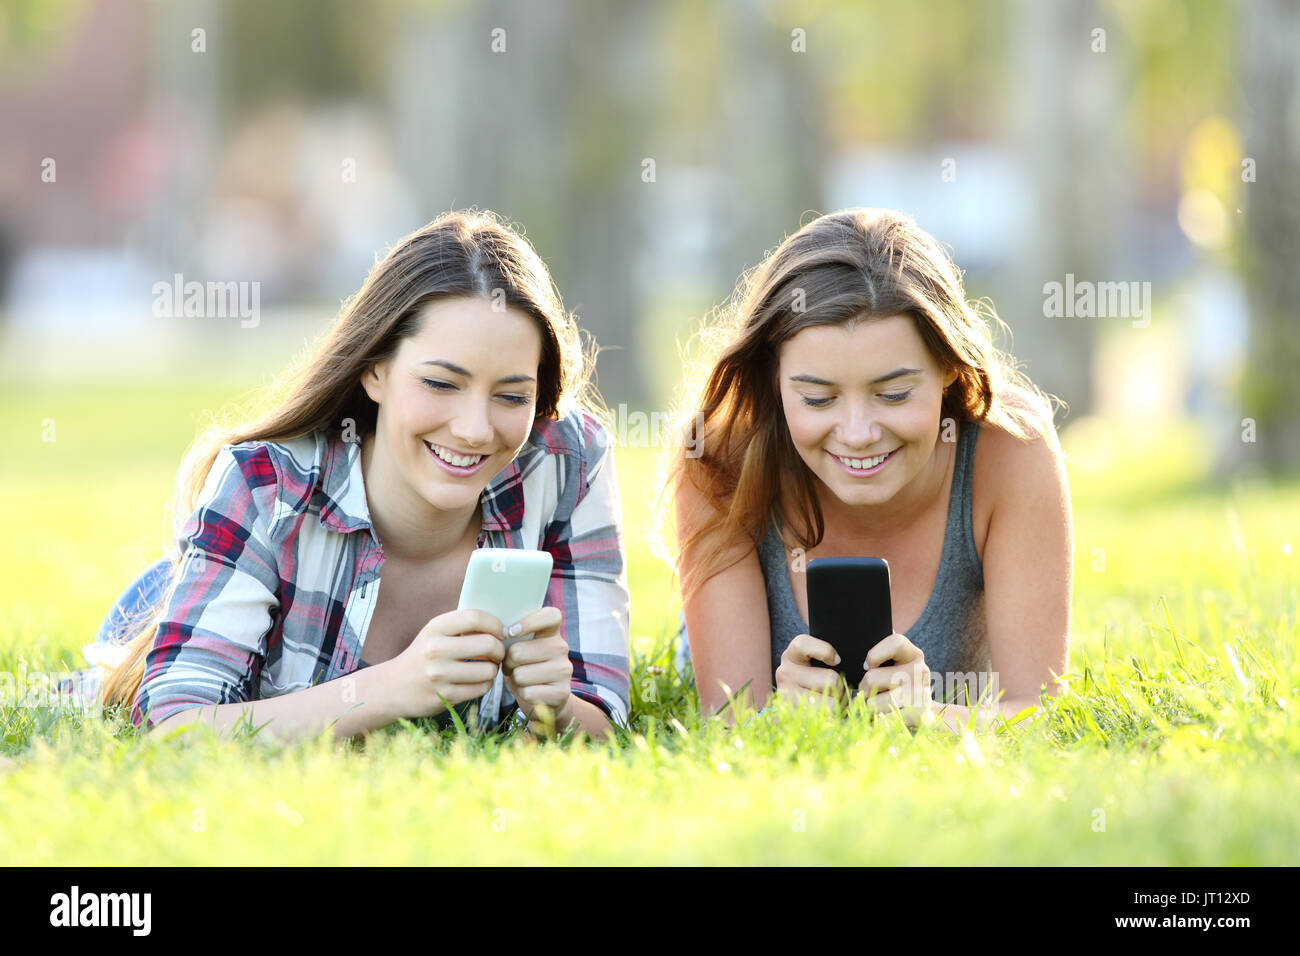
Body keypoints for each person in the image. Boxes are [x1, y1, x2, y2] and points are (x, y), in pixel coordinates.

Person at [76, 210, 630, 742]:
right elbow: (176, 730)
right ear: (375, 370)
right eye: (441, 383)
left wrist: (556, 708)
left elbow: (606, 720)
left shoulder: (566, 462)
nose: (475, 430)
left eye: (512, 395)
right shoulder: (266, 485)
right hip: (168, 599)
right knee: (95, 677)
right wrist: (393, 687)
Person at [661, 208, 1071, 731]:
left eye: (894, 393)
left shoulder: (1009, 447)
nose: (857, 433)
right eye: (817, 398)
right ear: (773, 378)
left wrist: (930, 717)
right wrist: (780, 721)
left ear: (949, 368)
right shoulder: (719, 457)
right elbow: (727, 722)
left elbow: (1042, 715)